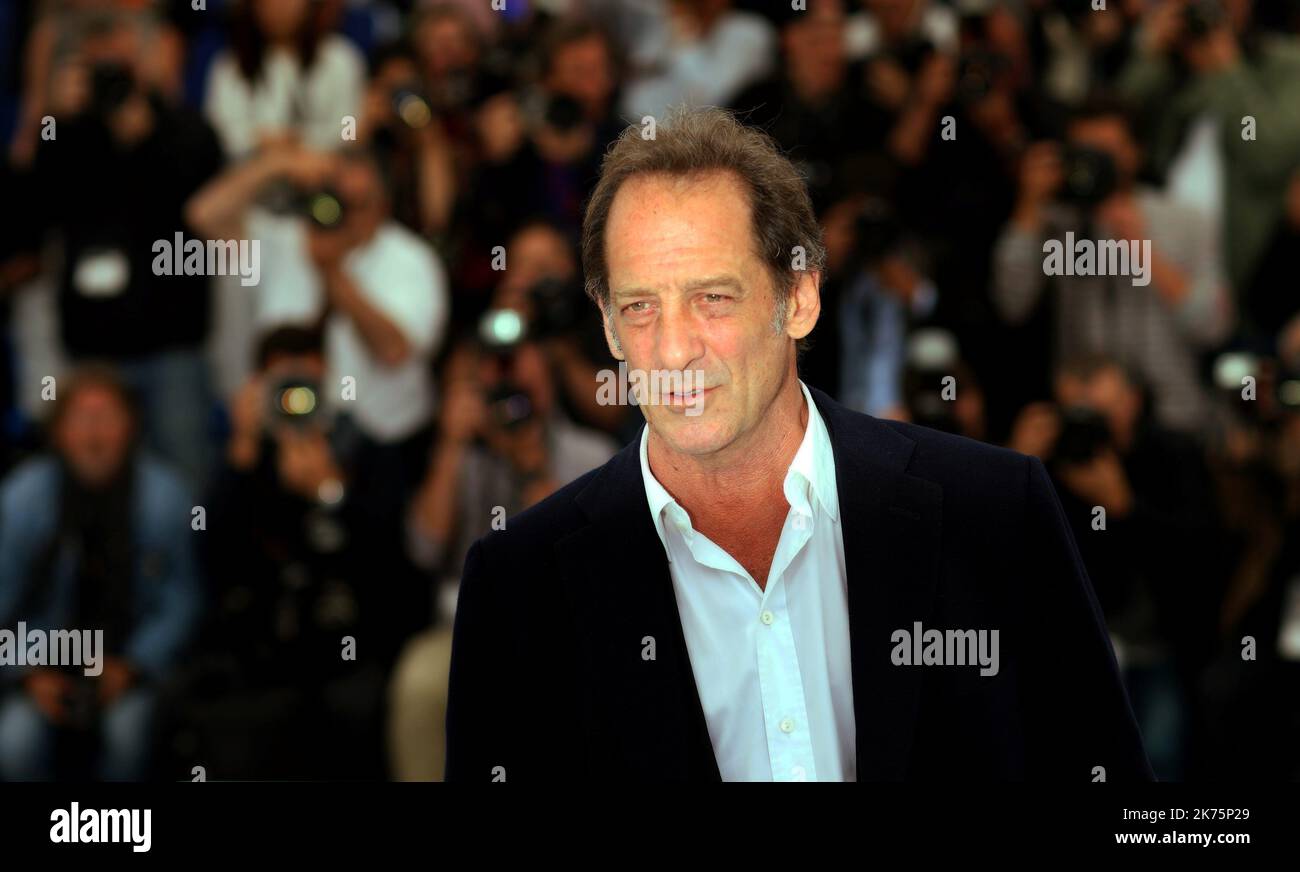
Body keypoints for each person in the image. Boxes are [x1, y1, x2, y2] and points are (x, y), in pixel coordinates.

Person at [444, 107, 1152, 782]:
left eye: (712, 297)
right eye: (640, 307)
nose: (674, 349)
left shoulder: (993, 512)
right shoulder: (519, 585)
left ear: (801, 296)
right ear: (607, 326)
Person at [0, 366, 202, 781]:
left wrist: (135, 666)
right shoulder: (21, 498)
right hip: (42, 663)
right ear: (58, 431)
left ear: (130, 427)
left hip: (129, 665)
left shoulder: (166, 499)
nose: (94, 435)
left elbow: (183, 600)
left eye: (106, 418)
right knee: (15, 743)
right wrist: (27, 672)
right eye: (81, 418)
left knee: (128, 736)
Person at [992, 96, 1233, 434]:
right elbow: (1011, 303)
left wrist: (1142, 249)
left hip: (1174, 416)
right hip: (1083, 416)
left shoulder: (1186, 221)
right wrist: (1029, 205)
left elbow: (1214, 326)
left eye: (1107, 151)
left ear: (1136, 153)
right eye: (1084, 151)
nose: (1095, 163)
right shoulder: (1054, 223)